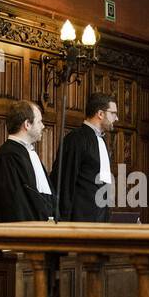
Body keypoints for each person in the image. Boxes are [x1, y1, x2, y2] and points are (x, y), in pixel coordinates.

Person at [0, 99, 54, 223]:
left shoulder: (28, 153)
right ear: (27, 124)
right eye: (39, 122)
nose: (43, 126)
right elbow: (15, 205)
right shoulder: (8, 157)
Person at [52, 92, 117, 222]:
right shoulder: (75, 139)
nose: (116, 118)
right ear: (100, 114)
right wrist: (63, 221)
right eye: (113, 113)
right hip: (80, 219)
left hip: (100, 216)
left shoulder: (102, 141)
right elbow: (65, 181)